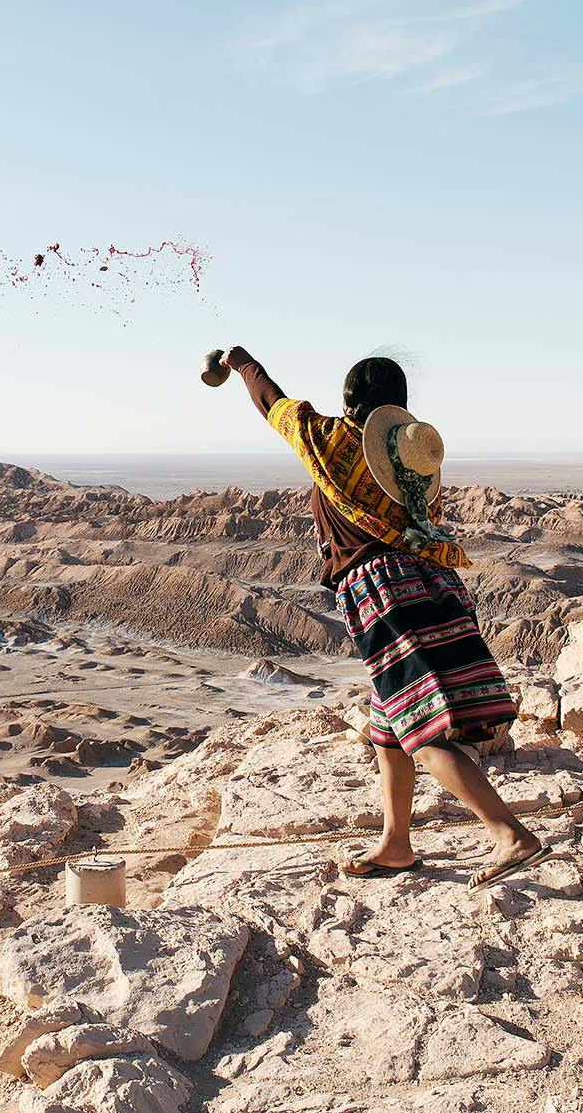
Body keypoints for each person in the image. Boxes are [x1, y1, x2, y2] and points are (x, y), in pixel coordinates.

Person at [211, 345, 550, 885]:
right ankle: (396, 845)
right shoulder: (413, 462)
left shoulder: (329, 440)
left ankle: (510, 834)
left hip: (385, 593)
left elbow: (271, 401)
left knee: (425, 731)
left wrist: (241, 364)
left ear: (349, 399)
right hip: (432, 585)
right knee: (388, 727)